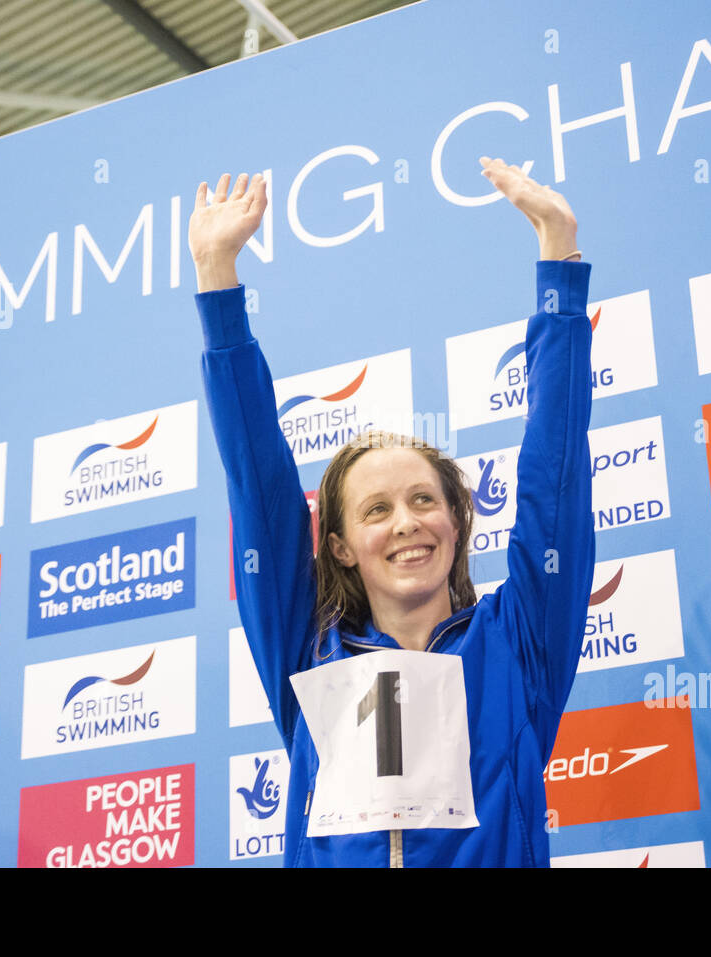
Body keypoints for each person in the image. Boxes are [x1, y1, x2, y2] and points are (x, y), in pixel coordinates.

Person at [191, 158, 594, 866]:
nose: (406, 521)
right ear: (341, 545)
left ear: (456, 521)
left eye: (423, 500)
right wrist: (218, 282)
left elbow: (554, 474)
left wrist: (558, 259)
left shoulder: (517, 643)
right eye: (377, 509)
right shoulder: (307, 652)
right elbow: (260, 493)